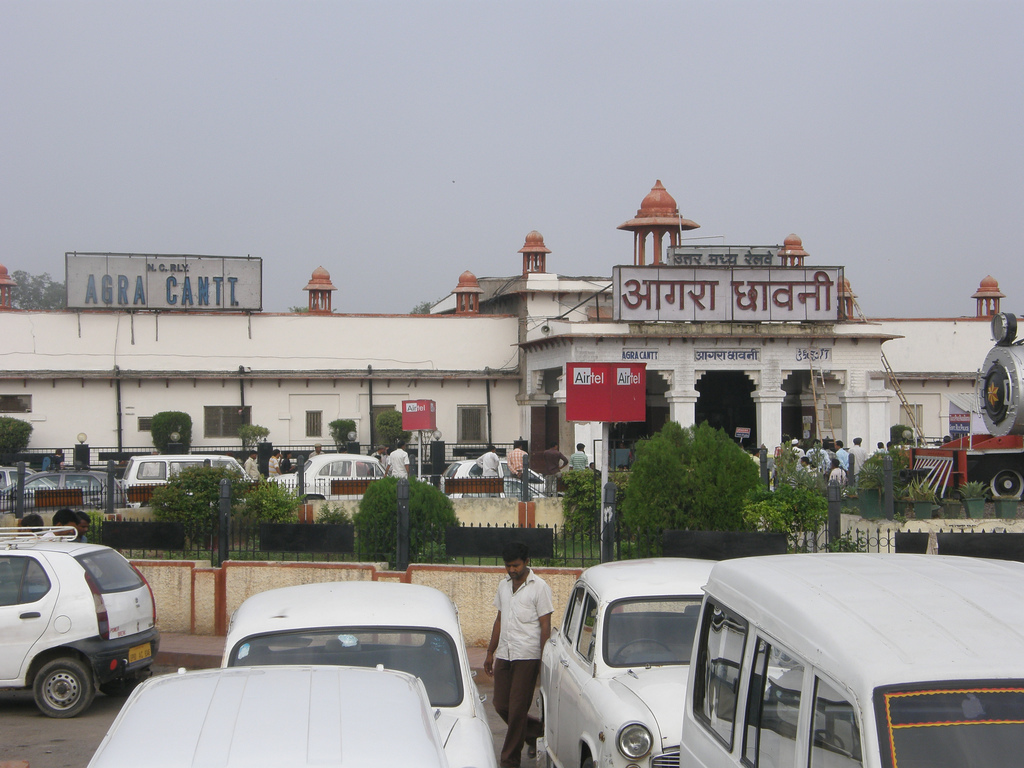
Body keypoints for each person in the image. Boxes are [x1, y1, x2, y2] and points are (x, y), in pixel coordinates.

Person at [484, 542, 553, 768]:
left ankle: (509, 760)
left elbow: (545, 625)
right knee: (500, 705)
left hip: (528, 655)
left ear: (526, 562)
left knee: (517, 711)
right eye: (508, 566)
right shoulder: (503, 586)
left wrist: (543, 659)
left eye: (516, 565)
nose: (512, 570)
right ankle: (537, 733)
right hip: (505, 653)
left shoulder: (539, 587)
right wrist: (490, 652)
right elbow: (499, 619)